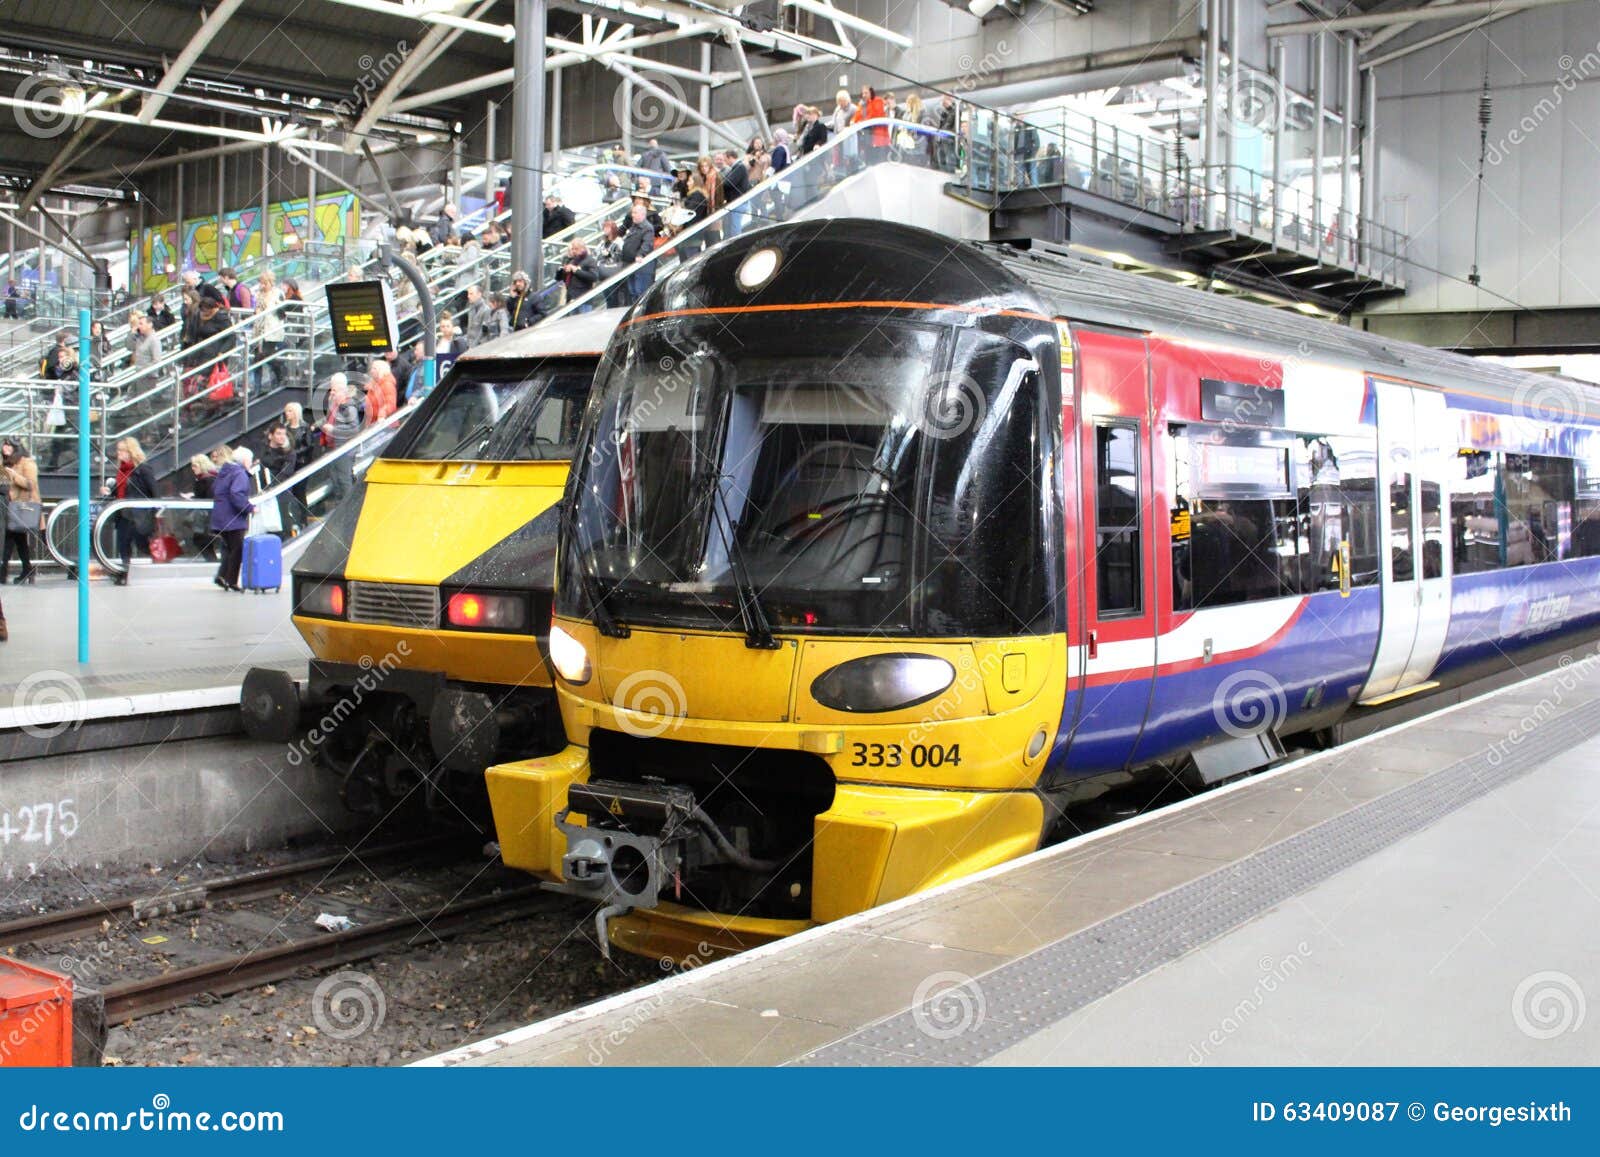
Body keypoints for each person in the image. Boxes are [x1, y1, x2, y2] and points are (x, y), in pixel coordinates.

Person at [103, 437, 157, 585]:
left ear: (131, 451)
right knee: (123, 544)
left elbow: (154, 491)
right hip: (123, 514)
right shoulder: (121, 471)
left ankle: (153, 568)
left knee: (142, 544)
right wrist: (110, 491)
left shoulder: (143, 469)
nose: (118, 453)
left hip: (139, 515)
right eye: (118, 450)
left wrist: (155, 512)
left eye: (122, 450)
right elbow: (121, 492)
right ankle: (124, 573)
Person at [210, 446, 254, 591]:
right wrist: (249, 507)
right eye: (250, 460)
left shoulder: (224, 472)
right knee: (237, 549)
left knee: (228, 548)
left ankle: (222, 576)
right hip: (233, 518)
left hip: (220, 517)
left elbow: (216, 490)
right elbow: (237, 494)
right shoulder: (239, 473)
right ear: (245, 460)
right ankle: (231, 580)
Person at [2, 439, 40, 584]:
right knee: (18, 540)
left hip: (22, 508)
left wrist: (13, 475)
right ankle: (26, 569)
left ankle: (5, 572)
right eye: (4, 444)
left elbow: (30, 484)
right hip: (8, 507)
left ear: (16, 448)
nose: (5, 447)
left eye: (9, 445)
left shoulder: (26, 462)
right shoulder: (4, 463)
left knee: (11, 539)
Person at [321, 375, 360, 506]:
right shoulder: (334, 405)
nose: (331, 393)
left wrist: (334, 429)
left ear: (342, 391)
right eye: (331, 390)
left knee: (343, 479)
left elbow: (354, 428)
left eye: (334, 390)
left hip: (343, 448)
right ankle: (340, 505)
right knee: (335, 478)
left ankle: (348, 506)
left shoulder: (349, 407)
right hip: (333, 446)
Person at [252, 269, 284, 391]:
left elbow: (282, 313)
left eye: (265, 283)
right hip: (259, 329)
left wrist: (276, 305)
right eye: (261, 283)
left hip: (272, 330)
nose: (263, 286)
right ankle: (257, 387)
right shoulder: (258, 294)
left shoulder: (278, 293)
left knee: (265, 355)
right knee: (256, 358)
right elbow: (256, 309)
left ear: (271, 282)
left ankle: (280, 372)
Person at [621, 201, 657, 304]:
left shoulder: (647, 228)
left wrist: (640, 254)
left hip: (641, 266)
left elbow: (647, 243)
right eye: (632, 213)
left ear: (642, 214)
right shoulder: (633, 227)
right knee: (633, 291)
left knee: (640, 292)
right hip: (630, 263)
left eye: (635, 213)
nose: (632, 215)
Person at [557, 239, 601, 310]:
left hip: (583, 299)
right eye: (573, 249)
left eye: (576, 249)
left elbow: (594, 277)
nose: (574, 251)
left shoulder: (590, 260)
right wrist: (563, 270)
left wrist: (576, 271)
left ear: (583, 248)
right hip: (571, 298)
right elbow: (561, 279)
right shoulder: (572, 261)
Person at [675, 173, 711, 260]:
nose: (687, 183)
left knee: (690, 260)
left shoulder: (697, 195)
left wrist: (679, 209)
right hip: (691, 235)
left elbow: (689, 212)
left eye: (690, 181)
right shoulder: (695, 195)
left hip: (691, 235)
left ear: (696, 182)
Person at [854, 85, 889, 164]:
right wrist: (855, 121)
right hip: (867, 135)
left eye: (866, 93)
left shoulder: (878, 101)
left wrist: (863, 120)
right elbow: (857, 116)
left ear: (871, 93)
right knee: (868, 158)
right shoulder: (862, 104)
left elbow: (876, 115)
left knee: (878, 160)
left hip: (878, 135)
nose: (864, 95)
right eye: (863, 93)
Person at [720, 148, 751, 236]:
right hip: (736, 201)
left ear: (730, 157)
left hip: (738, 202)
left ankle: (737, 242)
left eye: (725, 159)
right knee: (732, 226)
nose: (725, 162)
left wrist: (722, 182)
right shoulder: (736, 167)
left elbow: (729, 183)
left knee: (735, 227)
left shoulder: (739, 167)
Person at [364, 360, 398, 426]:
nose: (371, 371)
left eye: (374, 368)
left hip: (385, 424)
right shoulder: (374, 384)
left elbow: (390, 404)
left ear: (381, 370)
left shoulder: (387, 384)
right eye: (372, 368)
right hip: (373, 423)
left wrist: (382, 414)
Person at [934, 94, 957, 171]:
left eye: (944, 101)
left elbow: (954, 126)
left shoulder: (956, 111)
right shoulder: (944, 112)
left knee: (949, 160)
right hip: (941, 140)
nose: (942, 103)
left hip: (949, 140)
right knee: (941, 160)